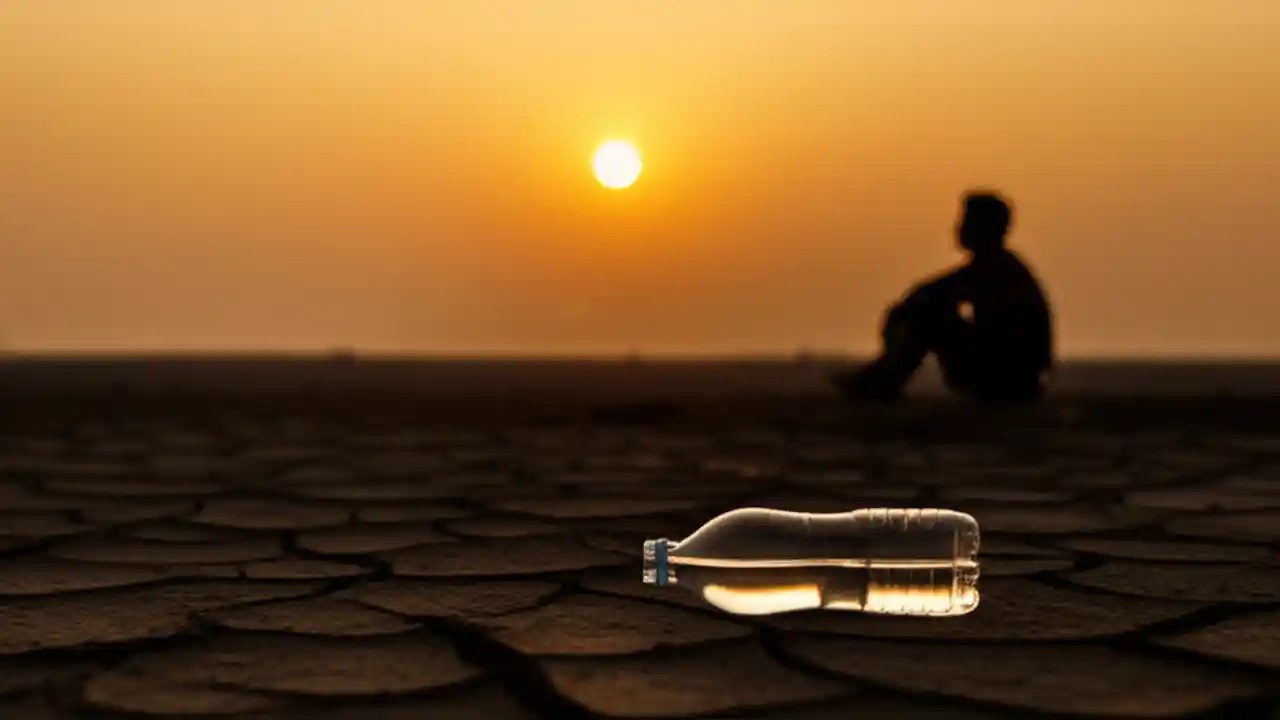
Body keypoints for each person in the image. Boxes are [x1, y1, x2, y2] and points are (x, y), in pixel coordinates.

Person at [834, 191, 1053, 403]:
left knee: (929, 316)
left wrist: (899, 325)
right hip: (1015, 378)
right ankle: (882, 378)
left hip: (1010, 380)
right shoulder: (998, 267)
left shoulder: (997, 270)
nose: (958, 228)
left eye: (966, 221)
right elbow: (930, 292)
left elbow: (929, 296)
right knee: (927, 311)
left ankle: (882, 382)